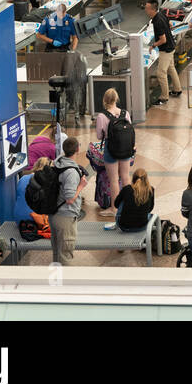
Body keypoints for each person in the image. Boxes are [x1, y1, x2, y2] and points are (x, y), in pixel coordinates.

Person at [50, 137, 88, 266]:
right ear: (77, 149)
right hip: (65, 217)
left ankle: (56, 281)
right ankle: (64, 284)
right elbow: (70, 198)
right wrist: (81, 186)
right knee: (65, 255)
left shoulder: (59, 164)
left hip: (54, 213)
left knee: (57, 252)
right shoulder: (71, 172)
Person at [95, 88, 134, 196]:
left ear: (104, 100)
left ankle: (114, 208)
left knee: (114, 180)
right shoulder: (125, 113)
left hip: (110, 149)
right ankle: (126, 205)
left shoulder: (101, 116)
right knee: (126, 177)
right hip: (125, 148)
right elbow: (130, 130)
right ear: (116, 99)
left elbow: (99, 136)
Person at [143, 0, 182, 102]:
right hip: (171, 45)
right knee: (171, 68)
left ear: (152, 9)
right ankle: (177, 89)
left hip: (166, 50)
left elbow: (163, 40)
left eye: (147, 8)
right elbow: (170, 24)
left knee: (161, 73)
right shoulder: (161, 14)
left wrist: (153, 45)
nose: (145, 10)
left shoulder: (157, 21)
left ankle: (164, 97)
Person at [109, 169, 155, 233]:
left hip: (124, 226)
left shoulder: (127, 189)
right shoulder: (151, 190)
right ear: (146, 179)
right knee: (151, 215)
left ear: (133, 178)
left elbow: (116, 204)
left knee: (123, 200)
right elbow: (150, 208)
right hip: (142, 226)